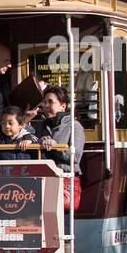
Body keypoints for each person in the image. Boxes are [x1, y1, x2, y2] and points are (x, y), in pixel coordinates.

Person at [27, 85, 85, 227]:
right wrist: (25, 122)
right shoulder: (39, 125)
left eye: (51, 102)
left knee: (61, 226)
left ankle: (65, 248)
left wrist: (56, 146)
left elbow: (75, 156)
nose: (46, 106)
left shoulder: (74, 126)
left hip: (62, 182)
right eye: (44, 103)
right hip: (40, 182)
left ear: (63, 106)